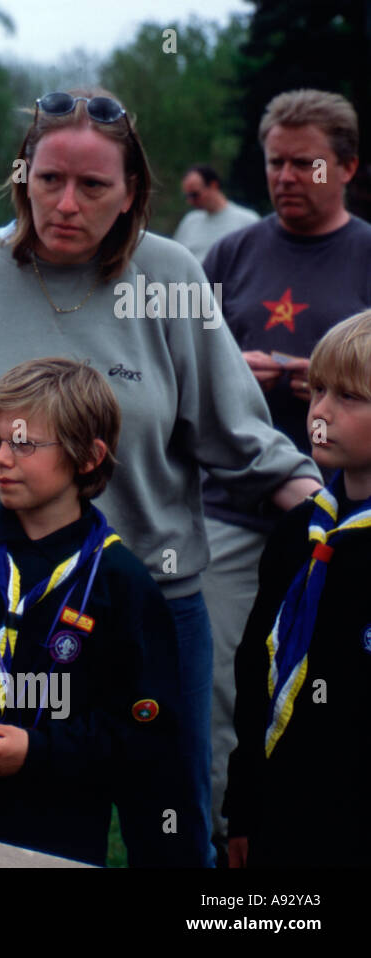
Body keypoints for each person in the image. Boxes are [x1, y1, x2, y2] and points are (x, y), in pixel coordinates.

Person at [0, 88, 322, 865]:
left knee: (171, 821)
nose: (65, 203)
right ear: (23, 177)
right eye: (48, 180)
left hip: (153, 609)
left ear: (133, 193)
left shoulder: (171, 274)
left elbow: (241, 438)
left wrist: (334, 517)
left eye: (92, 186)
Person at [0, 358, 199, 866]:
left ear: (88, 457)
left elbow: (143, 731)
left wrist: (40, 750)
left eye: (23, 443)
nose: (1, 458)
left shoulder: (121, 582)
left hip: (52, 838)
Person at [199, 89, 371, 858]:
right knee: (231, 680)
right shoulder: (231, 252)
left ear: (348, 166)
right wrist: (232, 372)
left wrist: (319, 380)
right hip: (239, 508)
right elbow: (185, 369)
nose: (287, 177)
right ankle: (229, 832)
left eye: (307, 163)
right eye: (275, 162)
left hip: (346, 511)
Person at [225, 309, 371, 867]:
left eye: (349, 398)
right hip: (281, 812)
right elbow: (254, 673)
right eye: (319, 391)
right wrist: (243, 807)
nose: (321, 413)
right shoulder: (298, 532)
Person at [171, 165, 259, 261]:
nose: (190, 201)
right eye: (187, 196)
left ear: (213, 186)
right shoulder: (190, 221)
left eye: (195, 195)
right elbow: (176, 258)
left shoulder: (247, 220)